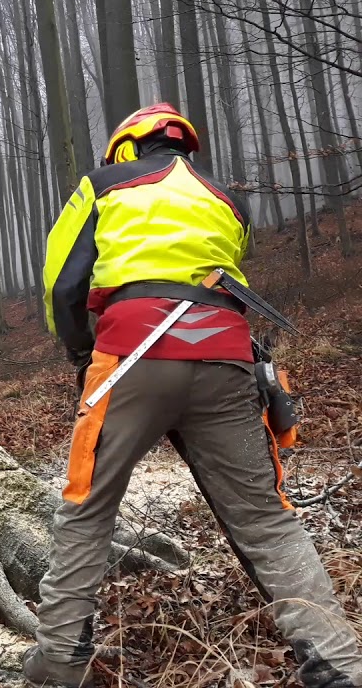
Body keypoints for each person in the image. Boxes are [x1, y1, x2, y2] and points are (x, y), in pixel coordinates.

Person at [22, 103, 362, 688]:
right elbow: (224, 269)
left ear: (125, 147)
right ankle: (340, 662)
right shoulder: (228, 200)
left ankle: (58, 660)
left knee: (87, 507)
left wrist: (82, 354)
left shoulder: (100, 185)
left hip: (129, 355)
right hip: (226, 357)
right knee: (266, 519)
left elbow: (64, 283)